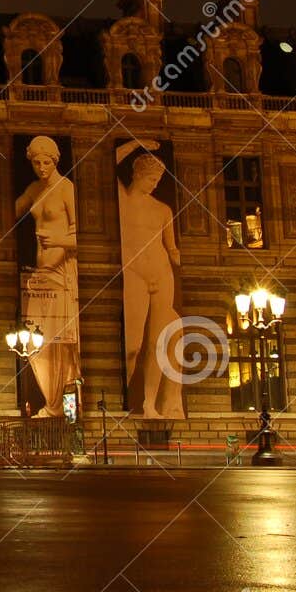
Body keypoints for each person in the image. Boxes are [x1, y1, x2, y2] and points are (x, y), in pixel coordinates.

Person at [116, 140, 184, 420]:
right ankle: (128, 397)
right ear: (137, 174)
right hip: (133, 272)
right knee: (133, 345)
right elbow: (110, 160)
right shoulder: (122, 198)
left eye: (158, 180)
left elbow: (172, 248)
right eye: (151, 179)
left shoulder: (163, 209)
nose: (155, 185)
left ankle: (149, 404)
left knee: (158, 342)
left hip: (162, 273)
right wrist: (135, 143)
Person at [13, 135, 80, 415]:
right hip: (40, 278)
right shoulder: (34, 189)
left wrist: (58, 241)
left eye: (46, 162)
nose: (41, 167)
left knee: (62, 346)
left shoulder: (67, 189)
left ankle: (64, 409)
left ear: (55, 161)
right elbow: (11, 211)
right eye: (36, 162)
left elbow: (80, 237)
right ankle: (53, 404)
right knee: (37, 347)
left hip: (62, 273)